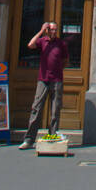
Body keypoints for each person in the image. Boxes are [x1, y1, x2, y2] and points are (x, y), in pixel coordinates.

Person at [19, 20, 70, 148]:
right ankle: (29, 139)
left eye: (55, 30)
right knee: (36, 108)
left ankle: (52, 137)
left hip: (57, 80)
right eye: (51, 29)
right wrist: (41, 31)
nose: (53, 32)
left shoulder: (61, 44)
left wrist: (58, 70)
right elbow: (30, 44)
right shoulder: (42, 41)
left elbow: (65, 61)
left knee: (55, 111)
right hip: (43, 80)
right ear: (47, 30)